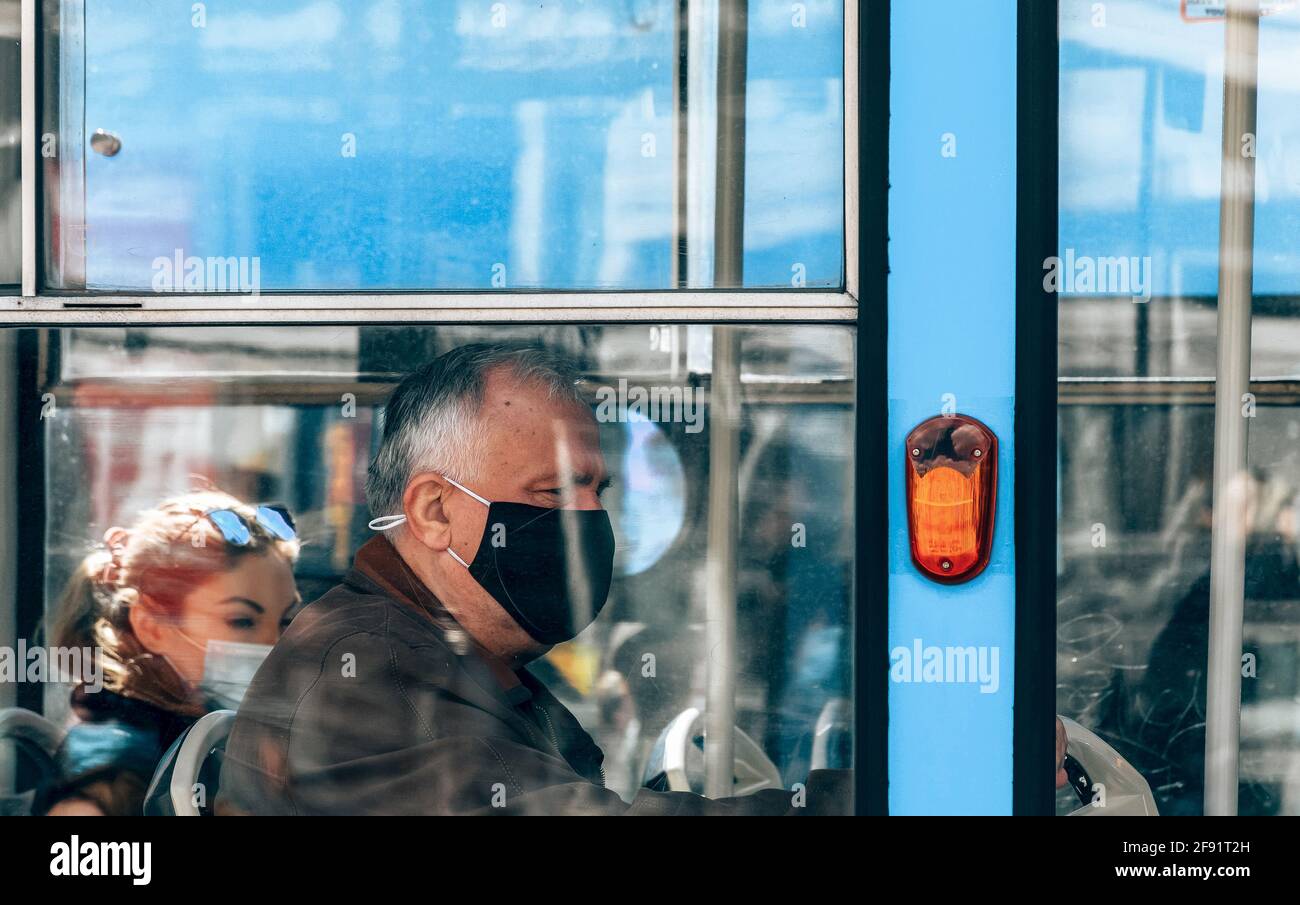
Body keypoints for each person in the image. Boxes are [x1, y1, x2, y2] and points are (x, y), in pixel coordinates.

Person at [218, 343, 852, 815]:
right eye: (554, 492)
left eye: (597, 489)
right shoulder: (364, 683)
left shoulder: (447, 654)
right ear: (435, 511)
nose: (592, 517)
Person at [36, 490, 300, 816]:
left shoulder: (218, 739)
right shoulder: (115, 765)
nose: (274, 646)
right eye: (242, 621)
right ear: (152, 627)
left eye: (287, 621)